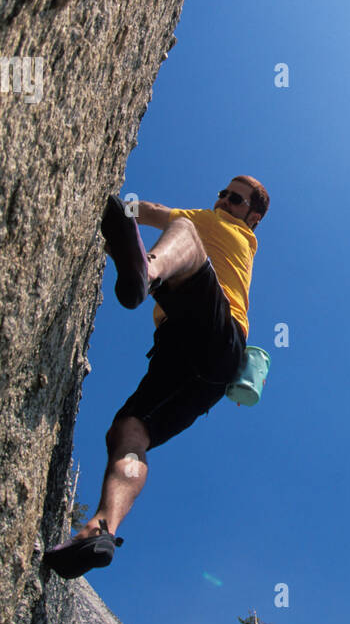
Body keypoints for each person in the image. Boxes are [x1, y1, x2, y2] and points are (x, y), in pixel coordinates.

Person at [45, 176, 269, 579]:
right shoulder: (216, 218)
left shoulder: (236, 233)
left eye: (233, 198)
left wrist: (110, 202)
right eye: (220, 191)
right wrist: (116, 207)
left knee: (183, 229)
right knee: (130, 431)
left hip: (220, 333)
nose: (221, 199)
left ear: (251, 216)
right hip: (192, 364)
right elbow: (144, 210)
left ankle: (144, 275)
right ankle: (103, 529)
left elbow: (153, 213)